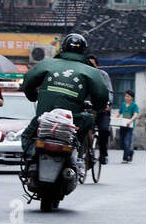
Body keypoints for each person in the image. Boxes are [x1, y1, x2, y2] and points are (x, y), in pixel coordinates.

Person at [20, 34, 112, 165]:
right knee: (88, 119)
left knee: (26, 136)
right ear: (83, 51)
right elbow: (102, 97)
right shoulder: (91, 72)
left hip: (44, 118)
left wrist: (33, 97)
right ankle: (76, 150)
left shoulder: (47, 64)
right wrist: (98, 107)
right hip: (72, 121)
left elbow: (27, 82)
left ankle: (31, 159)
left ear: (63, 48)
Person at [87, 54, 110, 164]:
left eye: (92, 64)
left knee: (104, 130)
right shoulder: (83, 75)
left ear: (97, 65)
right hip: (87, 109)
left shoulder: (103, 75)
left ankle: (103, 153)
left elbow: (109, 91)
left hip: (101, 109)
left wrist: (107, 103)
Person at [116, 90, 140, 163]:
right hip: (122, 125)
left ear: (131, 98)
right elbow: (119, 113)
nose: (126, 97)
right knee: (121, 144)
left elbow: (135, 114)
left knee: (127, 142)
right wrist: (114, 118)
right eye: (125, 96)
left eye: (128, 96)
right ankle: (130, 152)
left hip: (129, 127)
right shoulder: (123, 104)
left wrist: (130, 120)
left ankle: (125, 159)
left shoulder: (134, 105)